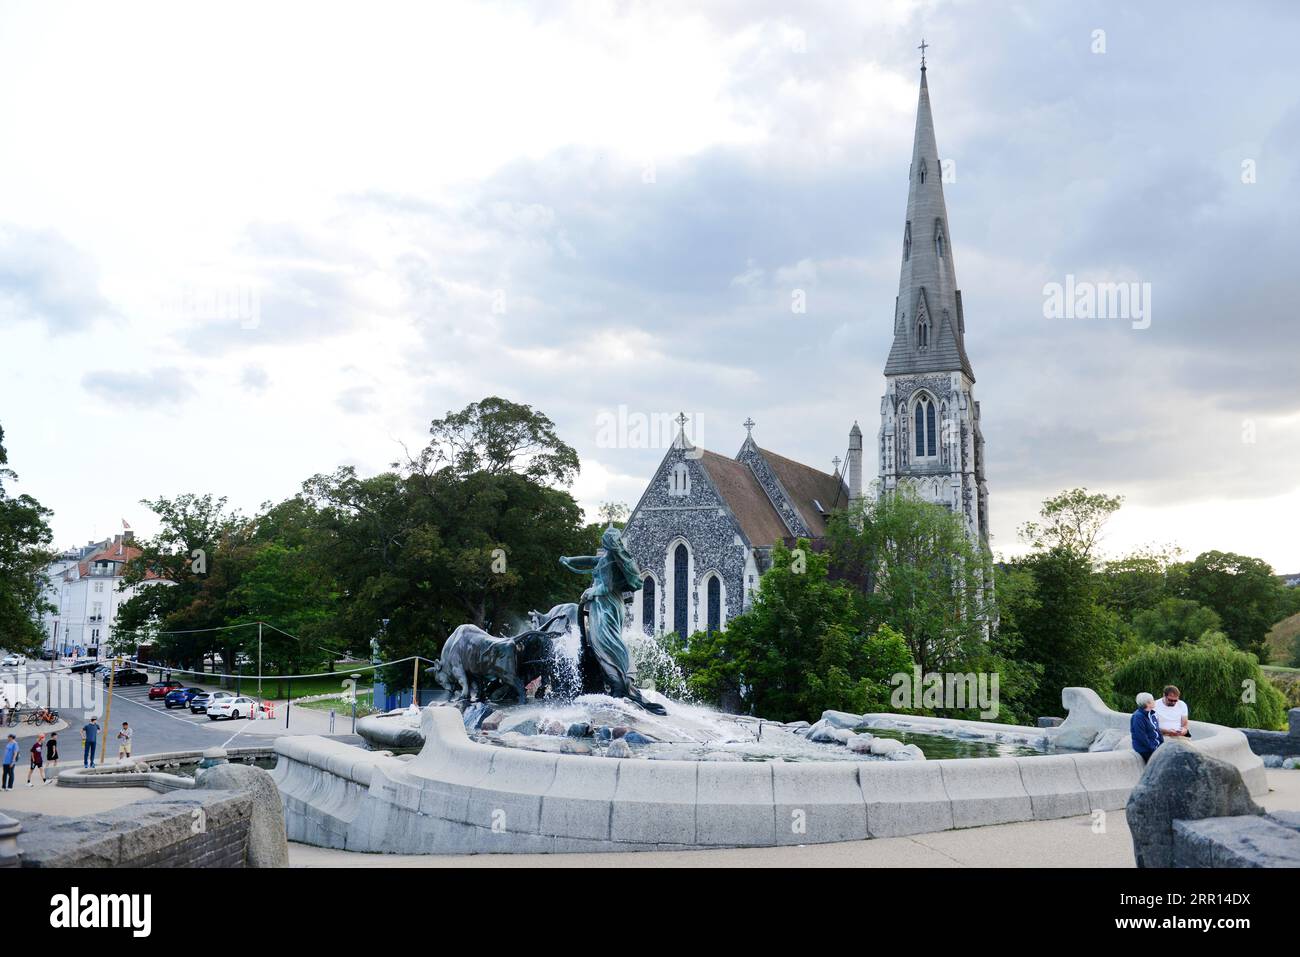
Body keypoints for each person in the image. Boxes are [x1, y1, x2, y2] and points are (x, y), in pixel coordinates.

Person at [1131, 692, 1163, 764]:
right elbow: (1141, 736)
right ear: (1147, 703)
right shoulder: (1138, 717)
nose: (1154, 701)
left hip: (1156, 748)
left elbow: (1157, 730)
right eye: (1153, 700)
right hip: (1145, 750)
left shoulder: (1152, 714)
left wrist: (1162, 745)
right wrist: (1153, 748)